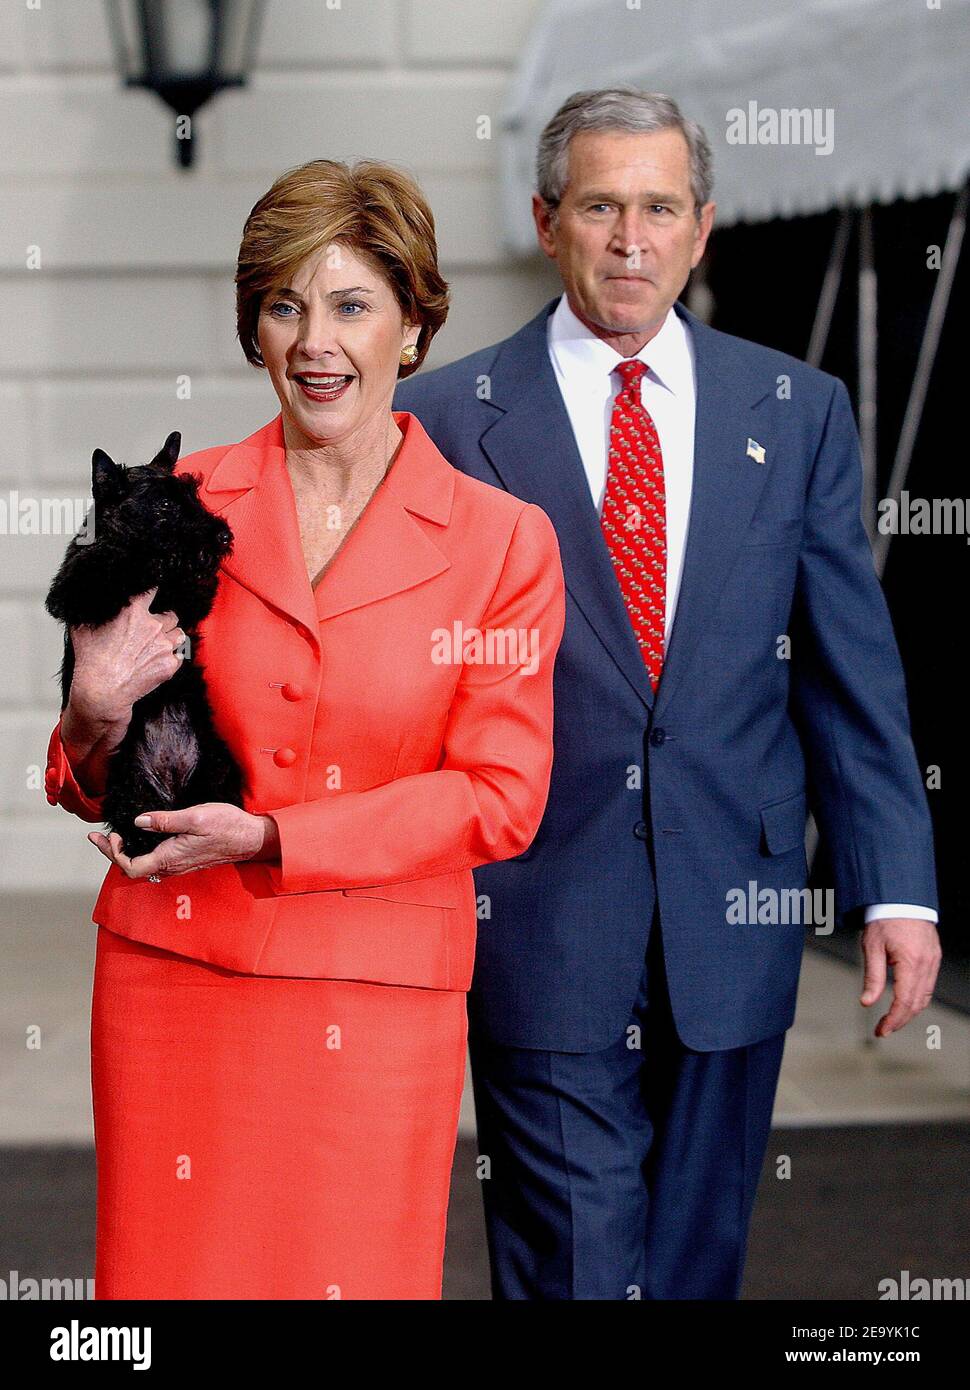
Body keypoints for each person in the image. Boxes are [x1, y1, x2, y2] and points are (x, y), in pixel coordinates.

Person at [394, 88, 942, 1300]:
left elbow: (852, 677)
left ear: (704, 226)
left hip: (730, 917)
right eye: (600, 206)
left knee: (697, 1268)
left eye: (657, 207)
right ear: (547, 220)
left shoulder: (797, 413)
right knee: (577, 1263)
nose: (630, 238)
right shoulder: (441, 419)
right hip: (535, 912)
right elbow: (405, 680)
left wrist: (893, 884)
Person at [44, 158, 566, 1300]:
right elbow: (90, 772)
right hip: (171, 976)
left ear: (414, 327)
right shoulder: (178, 502)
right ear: (254, 329)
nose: (314, 339)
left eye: (349, 304)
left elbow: (500, 793)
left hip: (371, 998)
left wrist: (273, 836)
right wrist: (88, 714)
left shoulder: (504, 542)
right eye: (284, 305)